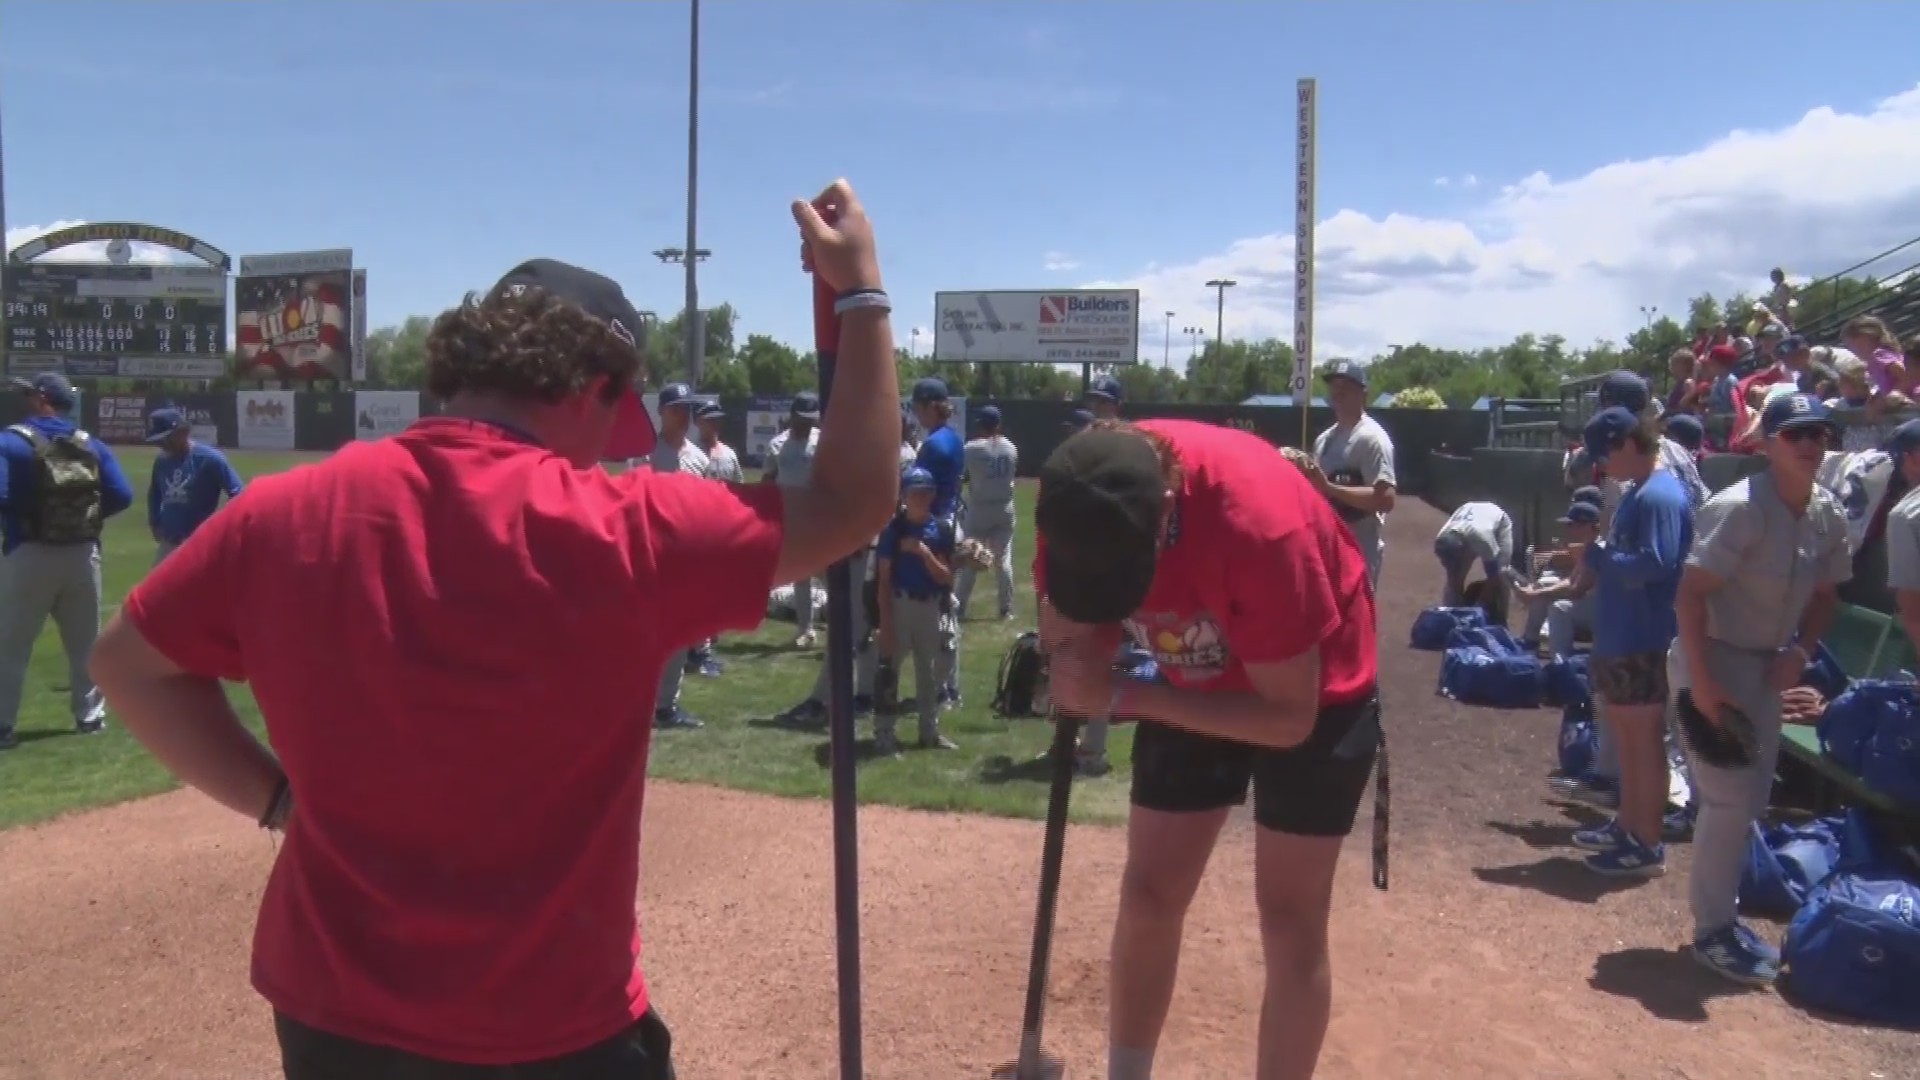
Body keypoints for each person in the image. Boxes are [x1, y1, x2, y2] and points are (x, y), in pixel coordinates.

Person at [85, 179, 904, 1079]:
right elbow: (854, 501)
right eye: (614, 421)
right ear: (591, 389)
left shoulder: (281, 514)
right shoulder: (629, 528)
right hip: (548, 1025)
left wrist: (278, 802)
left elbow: (127, 667)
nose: (614, 448)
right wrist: (859, 290)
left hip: (333, 1016)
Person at [1034, 418, 1380, 1080]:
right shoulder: (1079, 500)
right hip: (1188, 668)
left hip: (1316, 691)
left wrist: (1129, 699)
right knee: (1151, 888)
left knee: (1289, 913)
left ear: (1165, 505)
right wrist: (1072, 666)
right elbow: (1072, 630)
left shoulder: (1257, 525)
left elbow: (1288, 719)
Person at [1675, 391, 1849, 986]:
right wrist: (1701, 684)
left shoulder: (1827, 511)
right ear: (1768, 442)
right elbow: (1690, 596)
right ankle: (1712, 931)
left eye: (1818, 434)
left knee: (1748, 800)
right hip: (1714, 659)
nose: (1808, 444)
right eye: (1794, 433)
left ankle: (1721, 918)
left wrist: (1800, 653)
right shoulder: (1740, 508)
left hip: (1767, 665)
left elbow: (1827, 596)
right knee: (1727, 799)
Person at [1570, 407, 1694, 878]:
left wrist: (1598, 555)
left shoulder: (1659, 495)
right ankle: (1628, 826)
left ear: (1626, 442)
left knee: (1643, 744)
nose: (1603, 465)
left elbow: (1656, 565)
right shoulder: (1641, 492)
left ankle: (1646, 843)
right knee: (1628, 742)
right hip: (1624, 635)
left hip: (1644, 637)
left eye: (1605, 453)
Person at [0, 374, 134, 749]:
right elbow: (122, 494)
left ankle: (3, 725)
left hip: (29, 551)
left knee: (12, 644)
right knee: (85, 644)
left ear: (42, 399)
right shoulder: (88, 443)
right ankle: (90, 718)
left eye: (30, 394)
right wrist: (84, 516)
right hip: (82, 553)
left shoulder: (12, 440)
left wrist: (29, 516)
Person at [639, 383, 712, 730]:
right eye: (677, 409)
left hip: (687, 558)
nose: (684, 416)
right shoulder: (645, 454)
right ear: (662, 412)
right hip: (651, 555)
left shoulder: (699, 458)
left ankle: (666, 706)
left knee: (680, 636)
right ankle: (636, 702)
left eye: (688, 410)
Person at [874, 467, 960, 754]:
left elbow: (946, 576)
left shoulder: (941, 530)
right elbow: (884, 579)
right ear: (904, 496)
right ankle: (884, 733)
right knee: (890, 671)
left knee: (930, 673)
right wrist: (885, 622)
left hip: (930, 605)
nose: (921, 498)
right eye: (915, 493)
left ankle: (929, 731)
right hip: (900, 604)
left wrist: (923, 552)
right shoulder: (893, 531)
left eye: (926, 492)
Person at [1311, 359, 1397, 588]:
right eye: (1334, 386)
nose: (1338, 392)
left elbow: (1385, 499)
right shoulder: (1324, 440)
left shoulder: (1372, 439)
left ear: (1363, 394)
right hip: (1327, 548)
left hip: (1360, 550)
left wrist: (1330, 488)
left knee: (1357, 621)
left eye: (1346, 386)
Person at [909, 377, 965, 704]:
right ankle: (948, 687)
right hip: (950, 523)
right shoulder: (952, 438)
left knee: (938, 614)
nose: (917, 414)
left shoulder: (935, 445)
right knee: (944, 611)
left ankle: (943, 689)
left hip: (936, 529)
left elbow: (918, 491)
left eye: (919, 407)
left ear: (933, 406)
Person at [146, 407, 246, 566]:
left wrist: (223, 525)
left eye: (166, 439)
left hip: (200, 542)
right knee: (157, 589)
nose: (162, 445)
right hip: (169, 542)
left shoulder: (210, 459)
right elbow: (155, 493)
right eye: (158, 441)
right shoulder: (162, 461)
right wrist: (154, 521)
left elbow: (238, 493)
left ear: (182, 432)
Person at [764, 392, 823, 647]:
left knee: (831, 570)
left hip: (819, 515)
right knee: (801, 575)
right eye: (803, 419)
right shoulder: (777, 445)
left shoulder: (823, 441)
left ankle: (849, 629)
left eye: (811, 419)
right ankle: (805, 628)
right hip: (790, 517)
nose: (808, 424)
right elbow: (768, 480)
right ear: (792, 416)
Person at [956, 404, 1017, 621]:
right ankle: (1005, 609)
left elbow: (962, 476)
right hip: (1004, 507)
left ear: (981, 425)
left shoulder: (971, 448)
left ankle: (959, 607)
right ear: (998, 425)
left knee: (969, 556)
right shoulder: (1011, 447)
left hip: (980, 507)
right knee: (1003, 560)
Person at [1517, 499, 1600, 655]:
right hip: (1596, 604)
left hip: (1611, 612)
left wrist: (1537, 593)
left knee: (1559, 608)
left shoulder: (1599, 550)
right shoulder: (1590, 546)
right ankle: (1530, 642)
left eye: (1571, 525)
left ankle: (1561, 662)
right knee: (1546, 592)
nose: (1568, 529)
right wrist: (1539, 591)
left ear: (1586, 525)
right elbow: (1571, 580)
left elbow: (1576, 589)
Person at [1432, 500, 1513, 620]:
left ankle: (1500, 620)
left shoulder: (1482, 539)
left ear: (1464, 549)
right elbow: (1453, 578)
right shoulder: (1441, 538)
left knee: (1502, 574)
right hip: (1469, 520)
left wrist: (1477, 609)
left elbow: (1494, 578)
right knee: (1454, 577)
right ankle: (1450, 618)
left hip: (1499, 522)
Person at [693, 400, 744, 483]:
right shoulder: (691, 455)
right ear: (697, 422)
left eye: (717, 419)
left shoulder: (730, 454)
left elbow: (738, 486)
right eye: (709, 420)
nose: (714, 424)